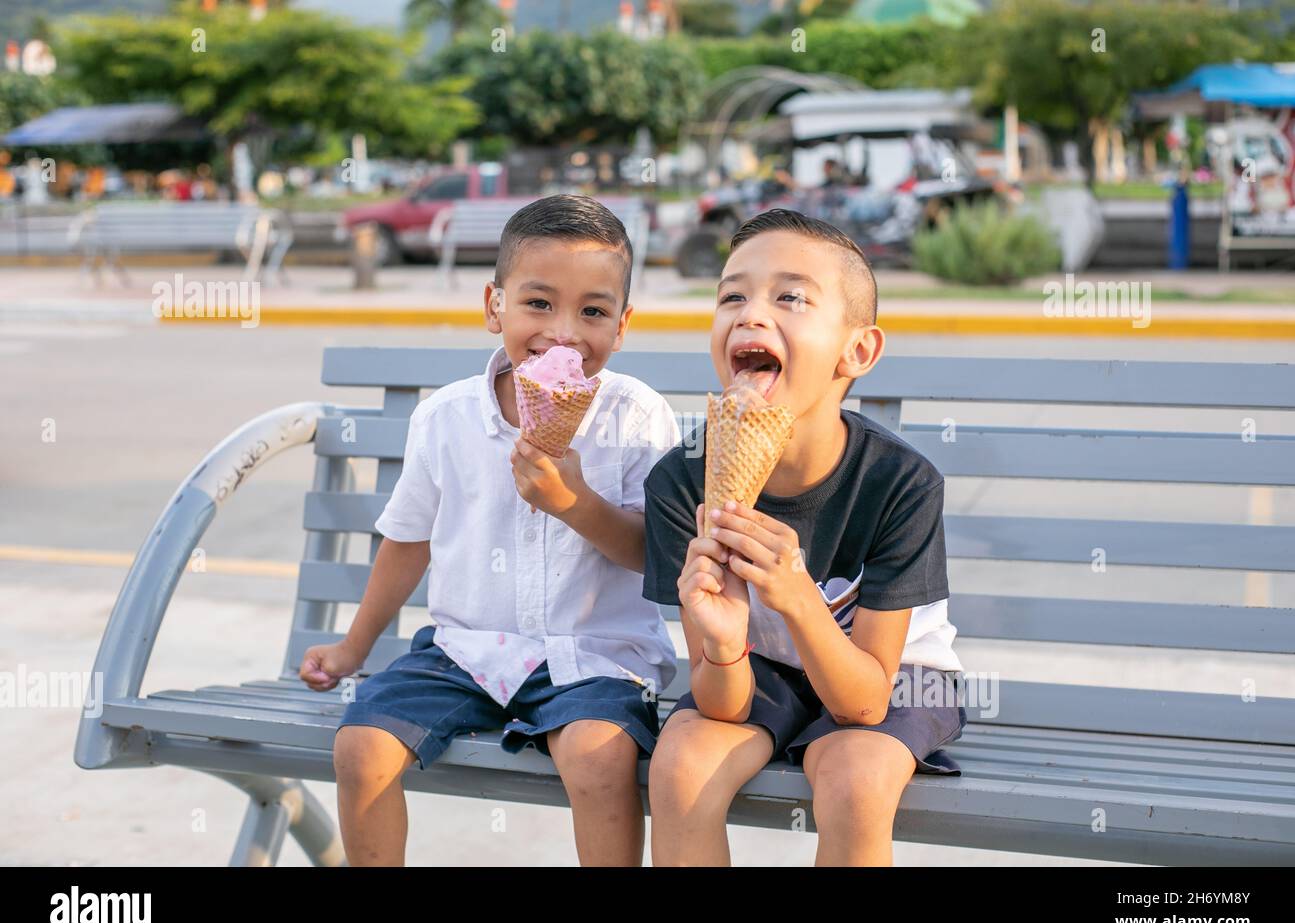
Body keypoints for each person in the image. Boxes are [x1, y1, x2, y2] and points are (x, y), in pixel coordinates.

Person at [301, 195, 681, 865]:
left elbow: (653, 556)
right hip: (464, 653)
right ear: (493, 306)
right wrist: (354, 647)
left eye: (592, 311)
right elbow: (409, 539)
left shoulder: (637, 417)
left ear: (621, 328)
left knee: (598, 759)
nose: (563, 333)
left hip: (593, 658)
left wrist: (574, 503)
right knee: (360, 749)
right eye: (538, 304)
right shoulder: (446, 418)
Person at [642, 208, 966, 866]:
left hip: (893, 678)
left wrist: (795, 595)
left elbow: (862, 702)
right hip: (762, 670)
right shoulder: (683, 482)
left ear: (859, 351)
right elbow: (721, 705)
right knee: (680, 768)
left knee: (855, 780)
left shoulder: (901, 484)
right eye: (732, 294)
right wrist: (726, 645)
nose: (751, 314)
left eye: (791, 297)